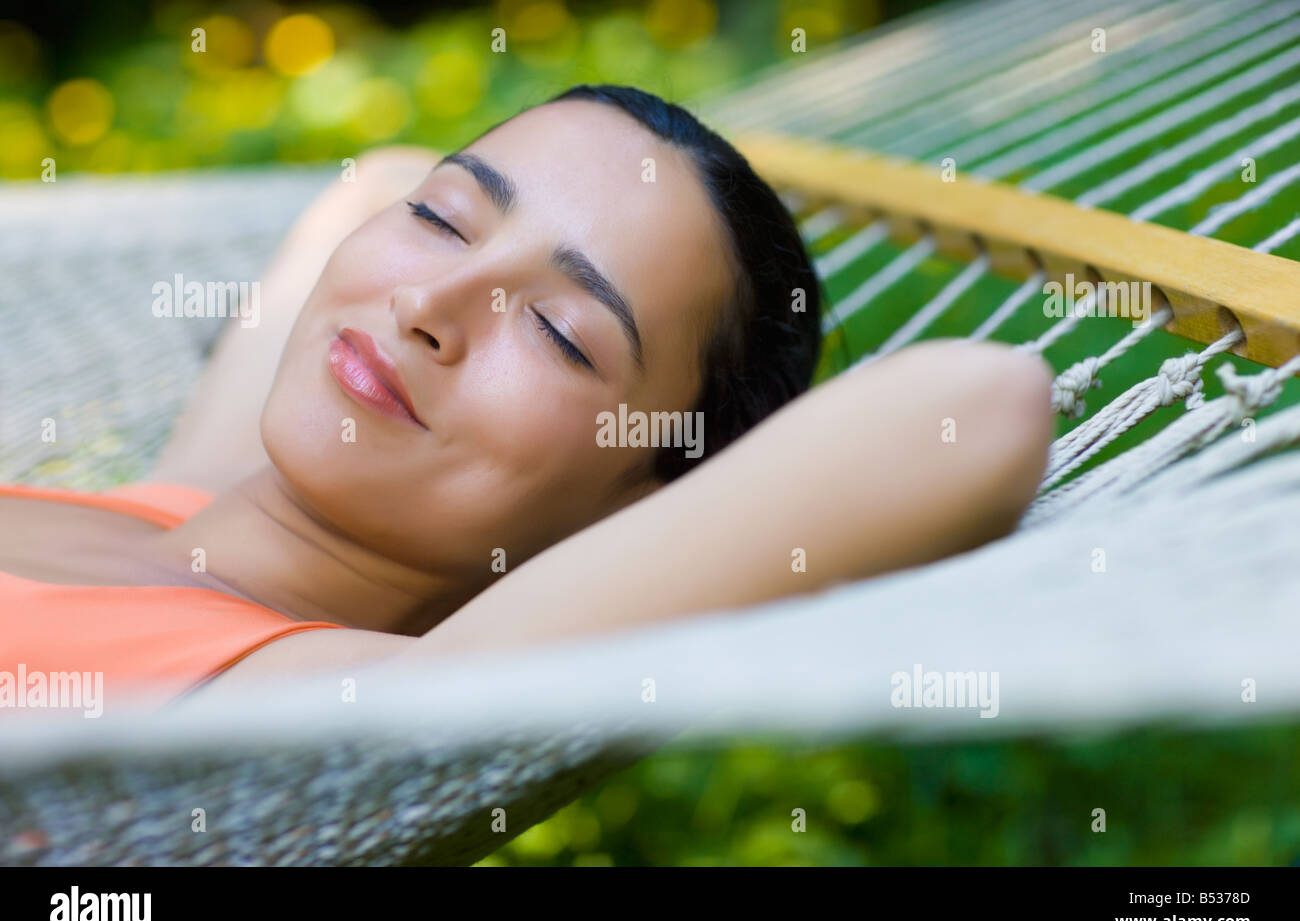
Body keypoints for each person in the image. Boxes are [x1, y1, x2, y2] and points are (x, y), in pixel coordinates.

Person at [0, 84, 1053, 707]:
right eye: (446, 220)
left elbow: (980, 404)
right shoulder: (187, 499)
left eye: (557, 331)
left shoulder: (333, 699)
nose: (426, 301)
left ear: (636, 497)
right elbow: (382, 177)